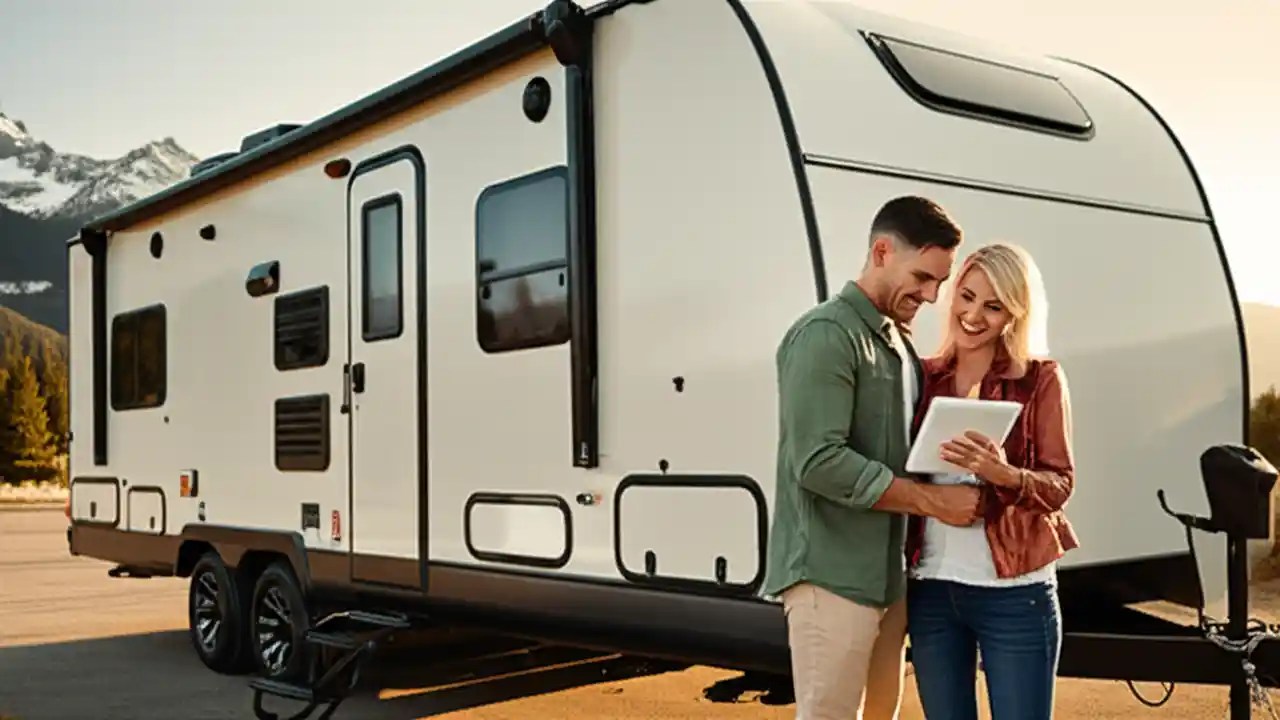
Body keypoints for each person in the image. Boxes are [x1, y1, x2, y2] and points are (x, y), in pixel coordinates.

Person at [763, 195, 984, 720]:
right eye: (923, 277)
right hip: (831, 580)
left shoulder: (897, 343)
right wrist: (935, 502)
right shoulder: (826, 335)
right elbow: (817, 462)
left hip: (888, 579)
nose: (932, 296)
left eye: (939, 283)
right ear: (882, 251)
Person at [904, 242, 1079, 720]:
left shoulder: (1040, 379)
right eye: (966, 296)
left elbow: (1060, 483)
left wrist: (1002, 474)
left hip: (1017, 594)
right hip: (932, 591)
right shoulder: (923, 376)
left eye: (993, 305)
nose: (973, 315)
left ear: (1014, 315)